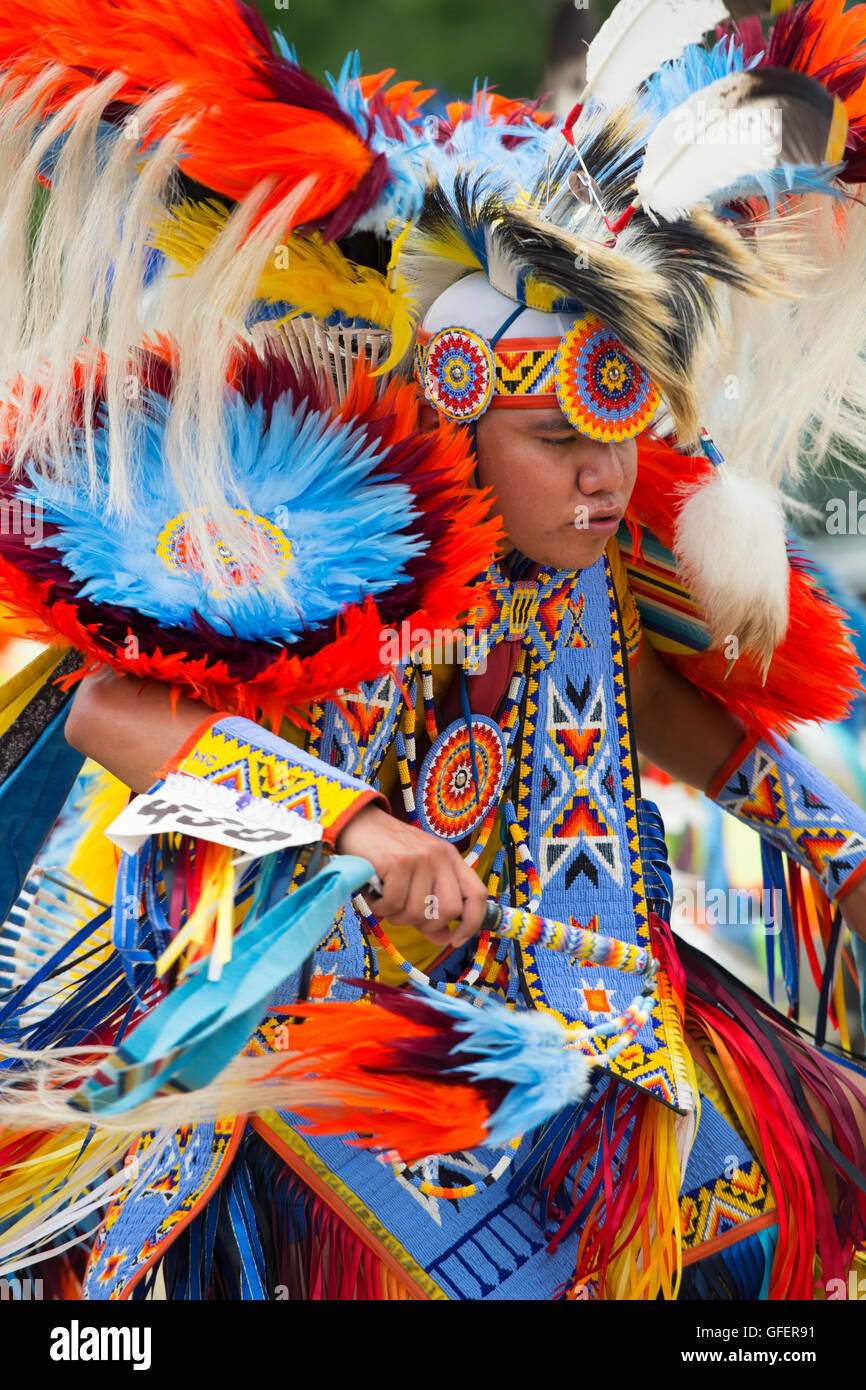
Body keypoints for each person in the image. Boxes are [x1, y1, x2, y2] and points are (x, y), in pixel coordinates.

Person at [2, 0, 866, 1301]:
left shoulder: (592, 546)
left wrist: (837, 847)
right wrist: (359, 826)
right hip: (284, 1037)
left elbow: (638, 702)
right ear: (462, 426)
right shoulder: (314, 520)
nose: (598, 479)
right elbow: (112, 716)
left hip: (567, 1003)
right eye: (551, 440)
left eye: (616, 434)